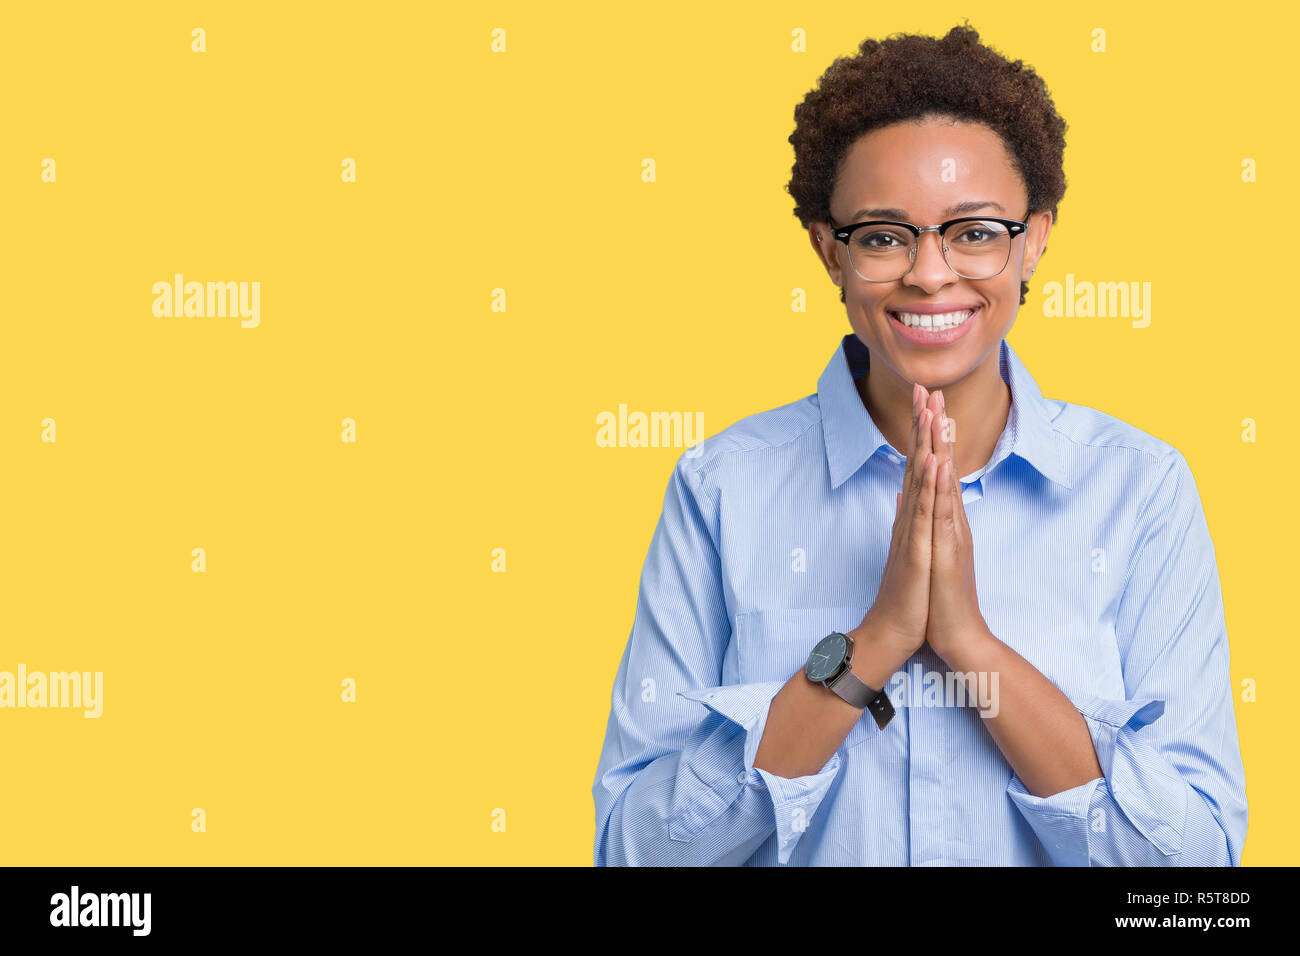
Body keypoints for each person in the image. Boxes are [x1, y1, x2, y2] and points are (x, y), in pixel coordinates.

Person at [591, 23, 1247, 866]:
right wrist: (874, 643)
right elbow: (635, 851)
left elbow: (1195, 876)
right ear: (830, 251)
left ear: (1035, 237)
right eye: (883, 236)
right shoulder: (722, 487)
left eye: (974, 231)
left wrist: (970, 642)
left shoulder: (1140, 489)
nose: (930, 274)